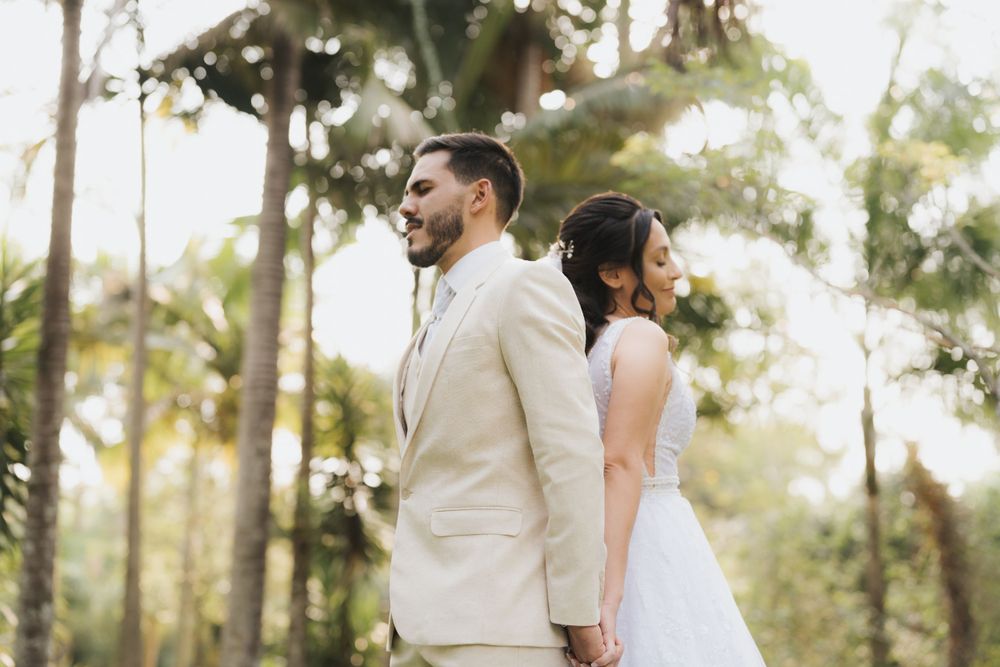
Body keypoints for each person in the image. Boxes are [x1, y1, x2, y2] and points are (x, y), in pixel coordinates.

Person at [387, 133, 621, 667]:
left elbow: (570, 458)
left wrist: (580, 616)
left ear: (479, 196)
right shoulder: (432, 324)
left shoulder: (525, 287)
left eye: (423, 189)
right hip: (418, 628)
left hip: (503, 628)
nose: (406, 206)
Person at [553, 192, 766, 667]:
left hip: (591, 531)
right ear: (612, 274)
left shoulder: (577, 347)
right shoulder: (641, 337)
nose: (677, 272)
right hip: (647, 536)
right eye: (659, 260)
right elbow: (620, 460)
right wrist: (606, 601)